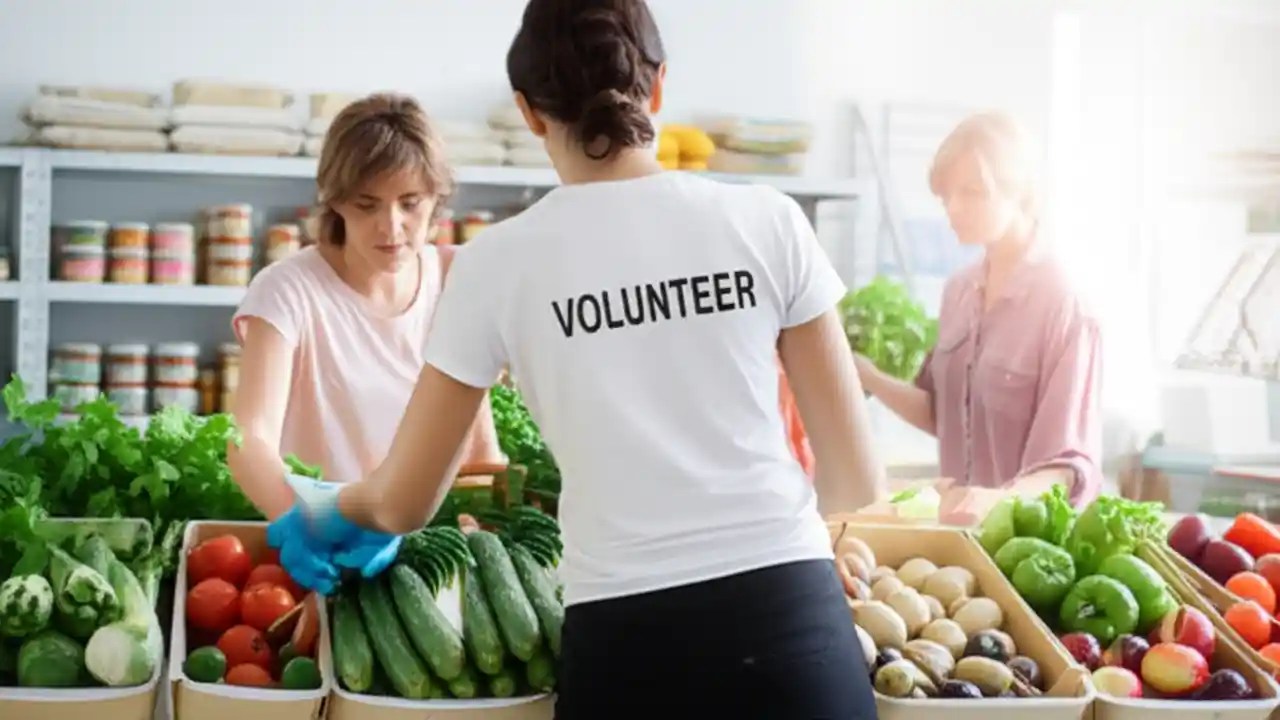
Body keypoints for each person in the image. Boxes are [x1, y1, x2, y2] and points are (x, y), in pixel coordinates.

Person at [268, 0, 887, 715]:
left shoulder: (495, 263)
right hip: (792, 624)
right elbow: (853, 476)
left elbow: (406, 500)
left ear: (529, 112)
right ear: (657, 88)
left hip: (626, 642)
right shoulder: (769, 220)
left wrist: (327, 504)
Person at [226, 93, 505, 521]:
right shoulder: (286, 290)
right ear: (335, 200)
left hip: (432, 545)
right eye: (367, 204)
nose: (391, 226)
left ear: (436, 198)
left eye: (410, 203)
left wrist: (484, 530)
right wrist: (311, 523)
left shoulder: (456, 278)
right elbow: (250, 440)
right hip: (327, 532)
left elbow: (480, 447)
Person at [856, 111, 1103, 521]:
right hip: (960, 536)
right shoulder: (959, 291)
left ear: (1020, 191)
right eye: (946, 195)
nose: (953, 208)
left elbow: (1068, 466)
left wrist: (998, 501)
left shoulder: (1064, 300)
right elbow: (944, 415)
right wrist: (865, 374)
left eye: (971, 192)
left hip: (1030, 548)